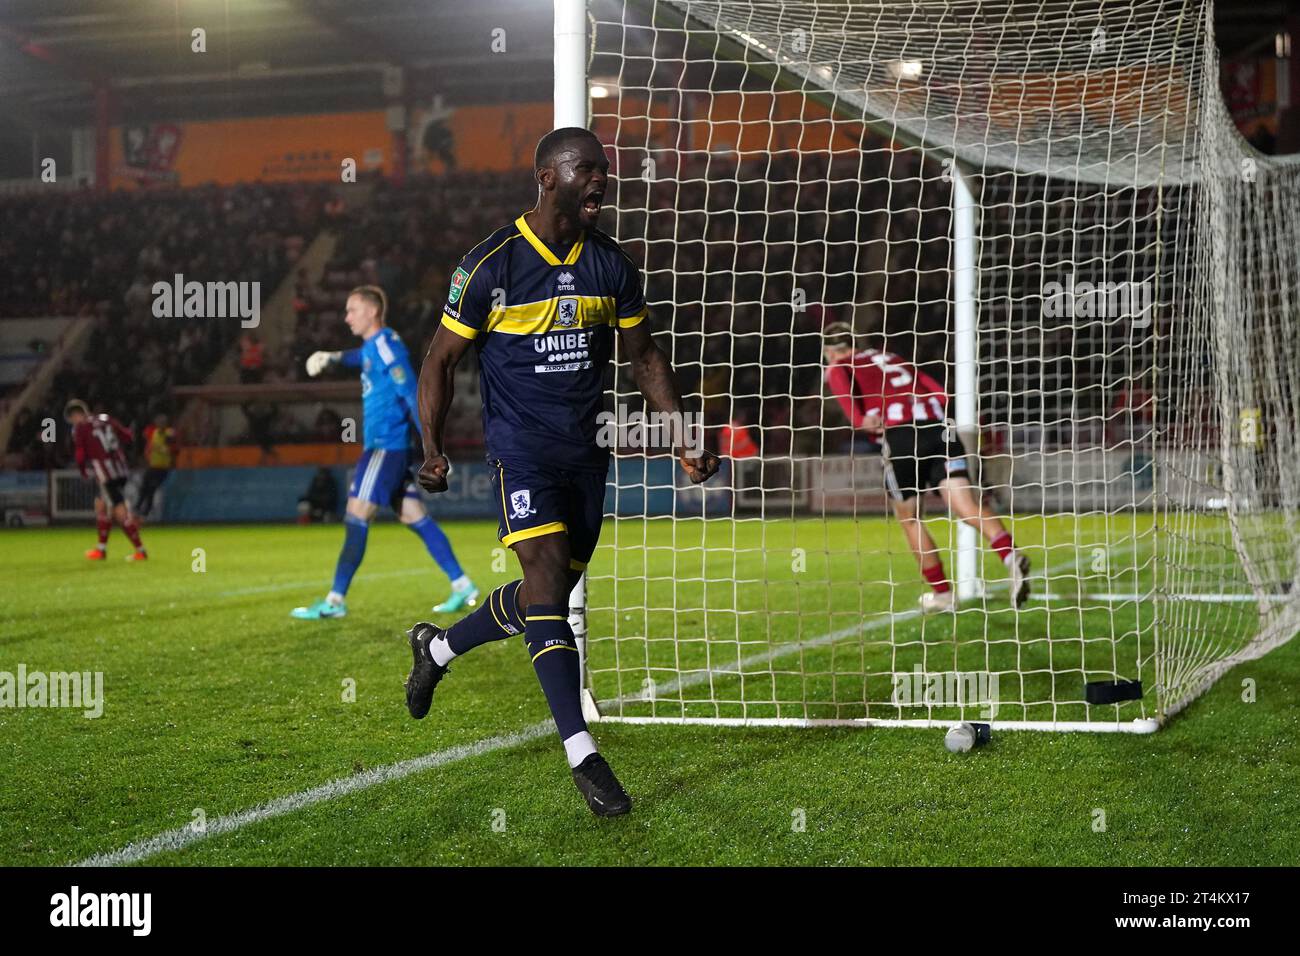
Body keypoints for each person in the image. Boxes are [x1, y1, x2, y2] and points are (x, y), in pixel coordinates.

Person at [404, 128, 719, 817]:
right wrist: (431, 444)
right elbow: (439, 360)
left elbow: (644, 355)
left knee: (538, 600)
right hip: (522, 451)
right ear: (549, 178)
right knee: (546, 584)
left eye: (605, 170)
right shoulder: (492, 264)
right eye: (589, 170)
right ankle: (584, 753)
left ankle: (439, 648)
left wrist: (681, 432)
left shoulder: (611, 264)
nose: (602, 181)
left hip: (586, 457)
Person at [291, 285, 477, 620]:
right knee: (413, 516)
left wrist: (432, 450)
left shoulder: (388, 347)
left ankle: (335, 601)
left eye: (352, 310)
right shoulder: (372, 347)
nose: (346, 317)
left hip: (385, 449)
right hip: (390, 450)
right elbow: (357, 357)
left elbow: (410, 393)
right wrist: (331, 357)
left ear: (372, 312)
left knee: (356, 516)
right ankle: (463, 585)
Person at [821, 322, 1029, 612]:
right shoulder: (892, 358)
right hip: (941, 430)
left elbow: (853, 412)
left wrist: (864, 421)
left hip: (903, 435)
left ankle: (942, 593)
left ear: (831, 351)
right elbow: (941, 394)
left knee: (910, 517)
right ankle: (1010, 555)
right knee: (964, 505)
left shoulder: (838, 367)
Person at [66, 399, 147, 562]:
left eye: (72, 418)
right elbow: (127, 436)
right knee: (101, 506)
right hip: (121, 469)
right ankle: (101, 549)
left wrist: (82, 470)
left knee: (120, 512)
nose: (72, 422)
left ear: (76, 415)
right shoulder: (105, 418)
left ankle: (140, 550)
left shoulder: (81, 428)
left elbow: (80, 453)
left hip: (106, 474)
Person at [135, 413, 177, 518]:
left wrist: (168, 444)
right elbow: (148, 443)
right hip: (153, 466)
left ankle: (145, 511)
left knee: (152, 488)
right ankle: (138, 507)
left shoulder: (169, 433)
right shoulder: (155, 433)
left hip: (163, 468)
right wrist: (146, 457)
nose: (160, 424)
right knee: (144, 486)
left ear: (166, 424)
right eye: (159, 422)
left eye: (162, 422)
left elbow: (172, 445)